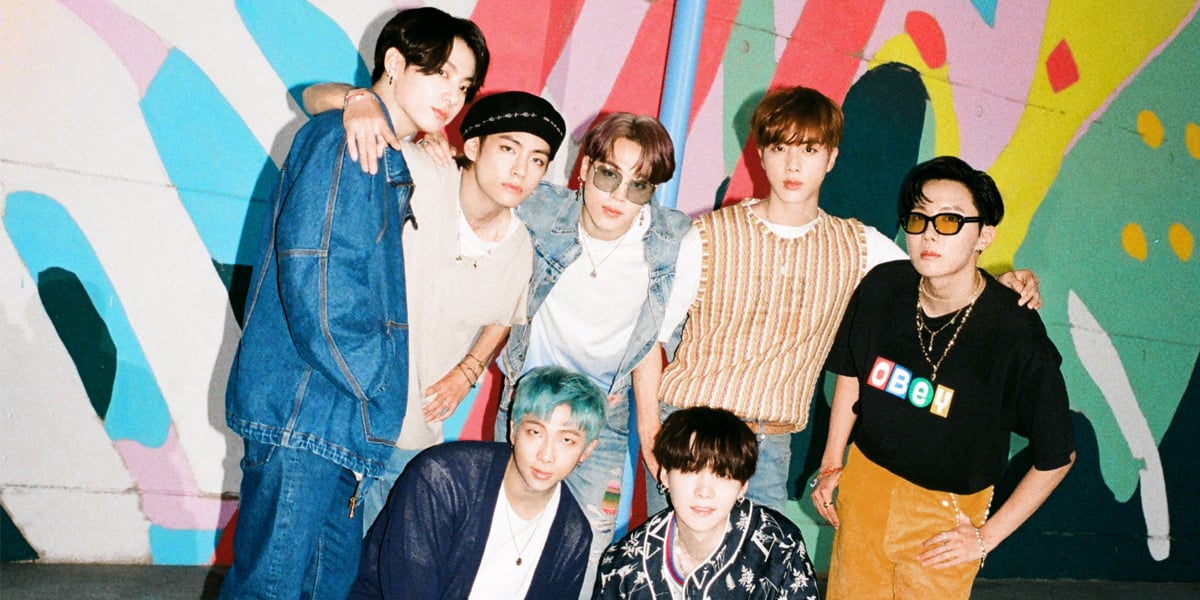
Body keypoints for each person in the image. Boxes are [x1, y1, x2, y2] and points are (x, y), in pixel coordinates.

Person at [653, 86, 1042, 514]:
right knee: (675, 557)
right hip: (691, 437)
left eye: (809, 149)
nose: (793, 164)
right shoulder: (710, 235)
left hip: (770, 447)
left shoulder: (857, 247)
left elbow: (941, 273)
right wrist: (654, 438)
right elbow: (651, 342)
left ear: (831, 158)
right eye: (780, 148)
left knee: (759, 559)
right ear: (760, 155)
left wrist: (1000, 282)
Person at [220, 8, 488, 599]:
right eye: (441, 73)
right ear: (394, 62)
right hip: (308, 416)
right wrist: (382, 382)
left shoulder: (380, 145)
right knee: (272, 588)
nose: (453, 95)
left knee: (322, 585)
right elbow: (321, 292)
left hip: (332, 419)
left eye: (464, 85)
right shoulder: (349, 144)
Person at [810, 156, 1075, 599]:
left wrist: (985, 539)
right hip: (865, 490)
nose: (930, 233)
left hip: (944, 519)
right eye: (919, 218)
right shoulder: (883, 287)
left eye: (950, 220)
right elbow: (852, 370)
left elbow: (1058, 455)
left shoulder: (1014, 330)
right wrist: (832, 461)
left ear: (983, 235)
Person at [305, 88, 567, 532]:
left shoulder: (520, 246)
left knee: (384, 549)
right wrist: (361, 101)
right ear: (473, 147)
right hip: (345, 407)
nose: (521, 170)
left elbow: (504, 315)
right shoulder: (421, 174)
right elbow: (311, 99)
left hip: (415, 428)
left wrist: (468, 370)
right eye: (508, 148)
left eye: (537, 159)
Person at [495, 112, 693, 593]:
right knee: (504, 529)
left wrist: (651, 433)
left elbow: (650, 343)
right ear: (584, 169)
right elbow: (472, 184)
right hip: (530, 402)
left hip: (604, 413)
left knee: (590, 542)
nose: (618, 197)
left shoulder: (671, 243)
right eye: (608, 175)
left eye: (638, 186)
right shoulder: (542, 210)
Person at [347, 365, 606, 600]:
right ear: (513, 430)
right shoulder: (441, 479)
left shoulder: (573, 535)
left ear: (587, 450)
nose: (546, 455)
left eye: (567, 440)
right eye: (535, 432)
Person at [595, 407, 819, 599]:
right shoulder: (625, 562)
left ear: (743, 486)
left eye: (722, 475)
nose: (704, 492)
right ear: (665, 476)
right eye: (690, 471)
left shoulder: (778, 546)